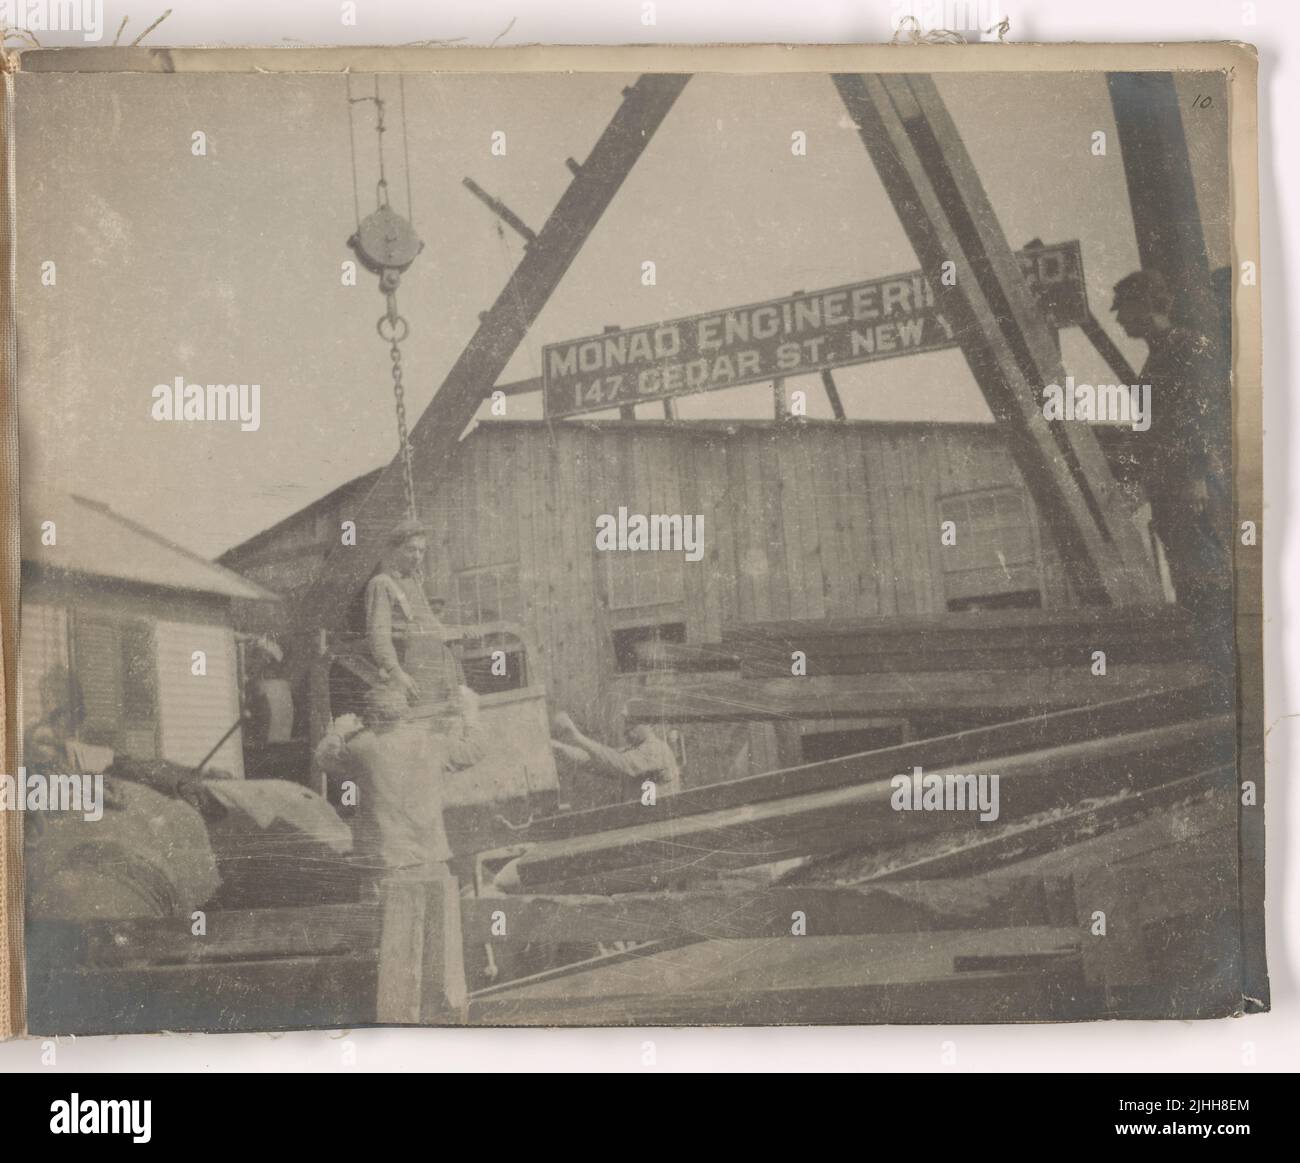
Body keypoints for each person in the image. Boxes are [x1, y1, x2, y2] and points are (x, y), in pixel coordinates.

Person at [1110, 269, 1232, 619]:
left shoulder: (1189, 346)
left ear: (1145, 304)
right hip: (1170, 480)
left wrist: (1196, 477)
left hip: (1193, 481)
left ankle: (1218, 640)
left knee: (1207, 567)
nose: (1119, 318)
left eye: (1123, 308)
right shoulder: (1160, 355)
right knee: (1188, 569)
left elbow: (1202, 413)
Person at [550, 711, 681, 797]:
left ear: (650, 724)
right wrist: (559, 748)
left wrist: (577, 737)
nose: (625, 729)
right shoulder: (634, 751)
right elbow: (593, 761)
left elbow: (619, 762)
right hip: (644, 820)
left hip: (658, 822)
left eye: (632, 723)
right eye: (625, 723)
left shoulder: (656, 748)